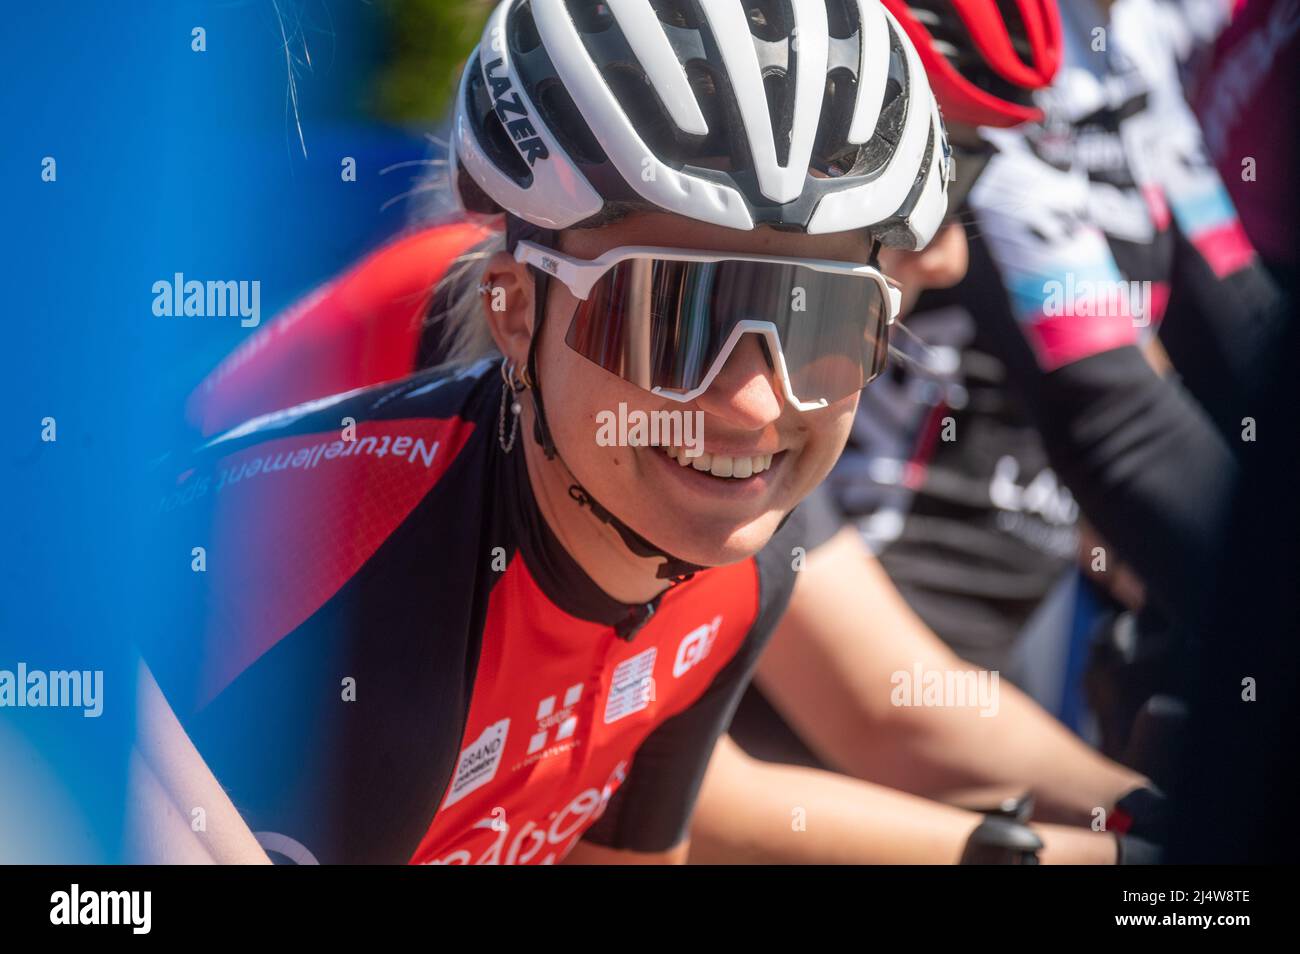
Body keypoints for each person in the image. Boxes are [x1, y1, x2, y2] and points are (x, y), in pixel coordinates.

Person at [127, 0, 951, 865]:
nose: (751, 405)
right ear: (514, 312)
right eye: (667, 318)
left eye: (823, 322)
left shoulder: (745, 571)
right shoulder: (370, 586)